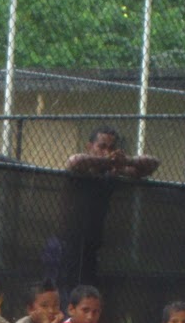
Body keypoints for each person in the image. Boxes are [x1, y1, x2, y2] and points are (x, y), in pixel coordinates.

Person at [44, 126, 159, 296]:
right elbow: (74, 161)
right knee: (60, 296)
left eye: (111, 148)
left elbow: (152, 163)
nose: (107, 152)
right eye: (101, 146)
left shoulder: (111, 174)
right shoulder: (82, 169)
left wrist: (125, 160)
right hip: (65, 245)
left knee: (86, 298)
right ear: (89, 146)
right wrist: (108, 161)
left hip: (90, 248)